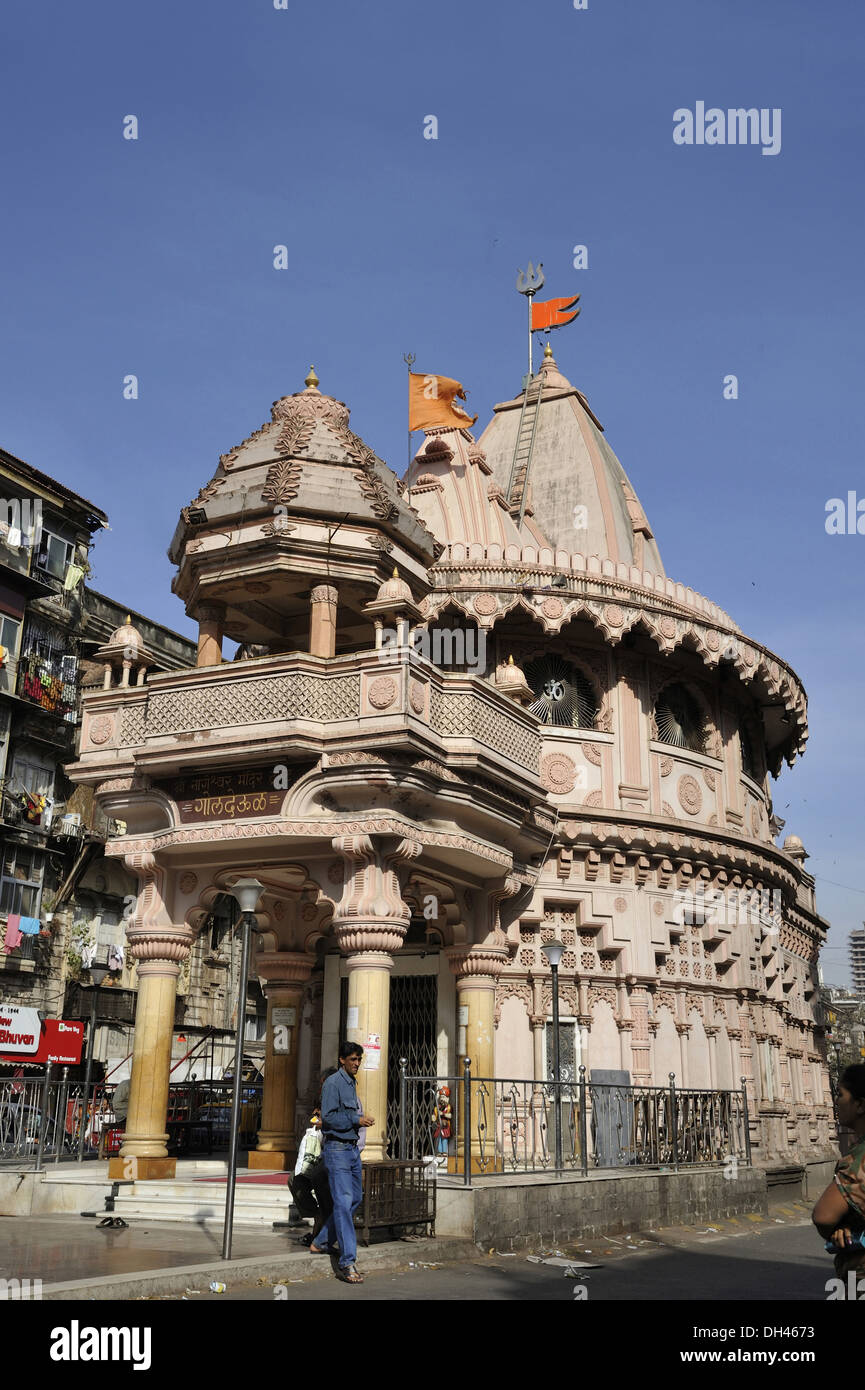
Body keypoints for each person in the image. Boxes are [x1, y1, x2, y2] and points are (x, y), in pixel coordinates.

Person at [312, 1041, 374, 1283]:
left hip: (351, 1150)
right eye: (352, 1060)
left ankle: (321, 1241)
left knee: (355, 1198)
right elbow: (327, 1117)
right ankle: (348, 1262)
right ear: (342, 1060)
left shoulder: (351, 1083)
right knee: (343, 1202)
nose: (357, 1064)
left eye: (359, 1059)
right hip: (337, 1148)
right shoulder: (333, 1083)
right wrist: (355, 1120)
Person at [812, 1064, 865, 1282]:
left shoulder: (860, 1157)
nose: (836, 1101)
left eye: (841, 1095)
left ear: (860, 1105)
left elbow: (824, 1216)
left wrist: (837, 1229)